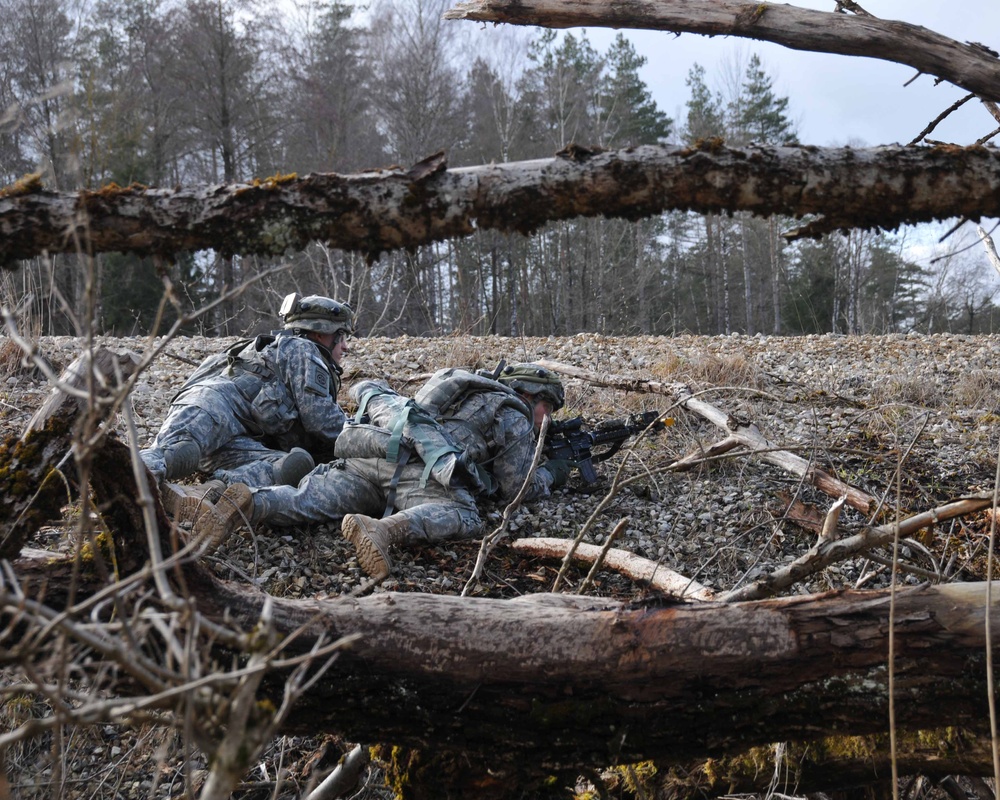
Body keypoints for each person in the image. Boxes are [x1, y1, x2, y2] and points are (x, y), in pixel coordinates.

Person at [191, 363, 574, 579]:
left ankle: (246, 504)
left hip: (370, 454)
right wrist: (553, 473)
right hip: (418, 476)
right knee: (465, 515)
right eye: (548, 409)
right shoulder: (513, 414)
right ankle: (382, 529)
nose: (547, 420)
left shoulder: (458, 385)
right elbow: (514, 488)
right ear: (531, 395)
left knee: (306, 499)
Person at [141, 292, 354, 491]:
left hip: (235, 441)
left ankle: (209, 493)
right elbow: (322, 421)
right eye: (341, 336)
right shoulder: (302, 349)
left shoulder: (271, 352)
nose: (345, 346)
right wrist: (365, 434)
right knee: (173, 451)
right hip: (210, 409)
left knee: (292, 466)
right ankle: (122, 488)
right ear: (320, 334)